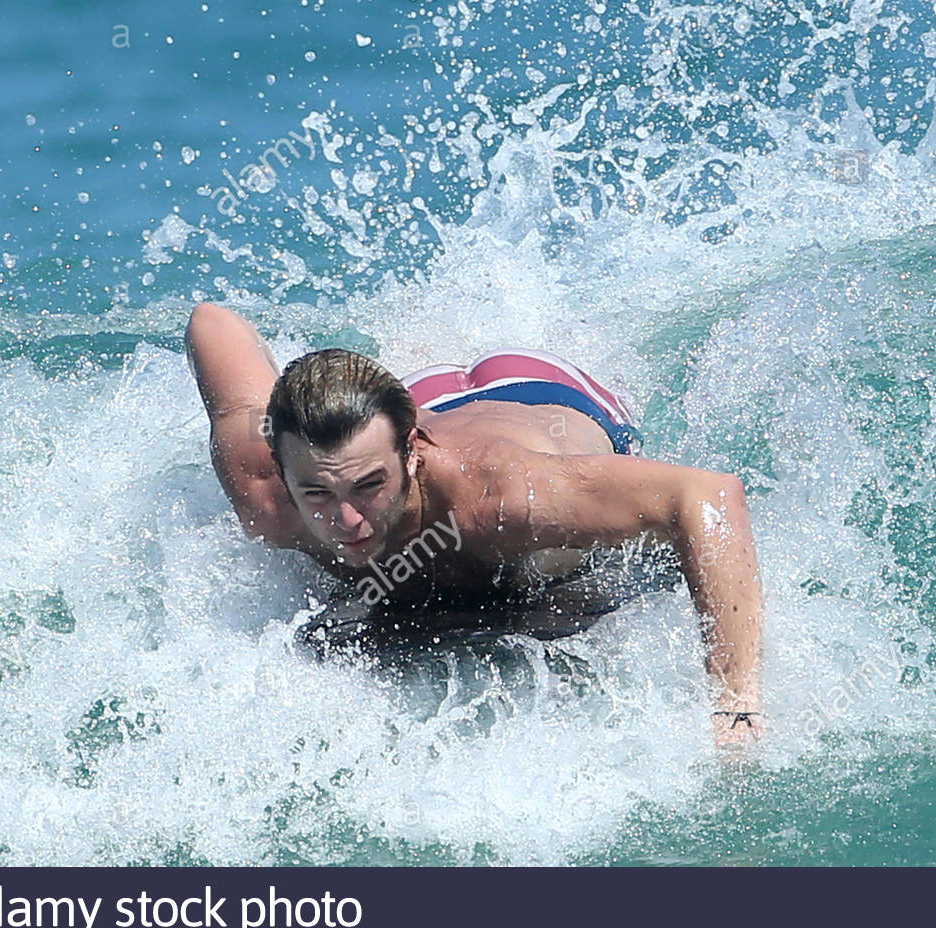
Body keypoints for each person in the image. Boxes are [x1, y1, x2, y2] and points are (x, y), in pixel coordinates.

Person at [184, 302, 765, 747]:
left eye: (368, 487)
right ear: (281, 469)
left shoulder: (507, 501)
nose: (347, 520)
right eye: (317, 493)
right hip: (416, 400)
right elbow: (211, 321)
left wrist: (735, 704)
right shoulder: (268, 495)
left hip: (548, 396)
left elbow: (708, 494)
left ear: (412, 453)